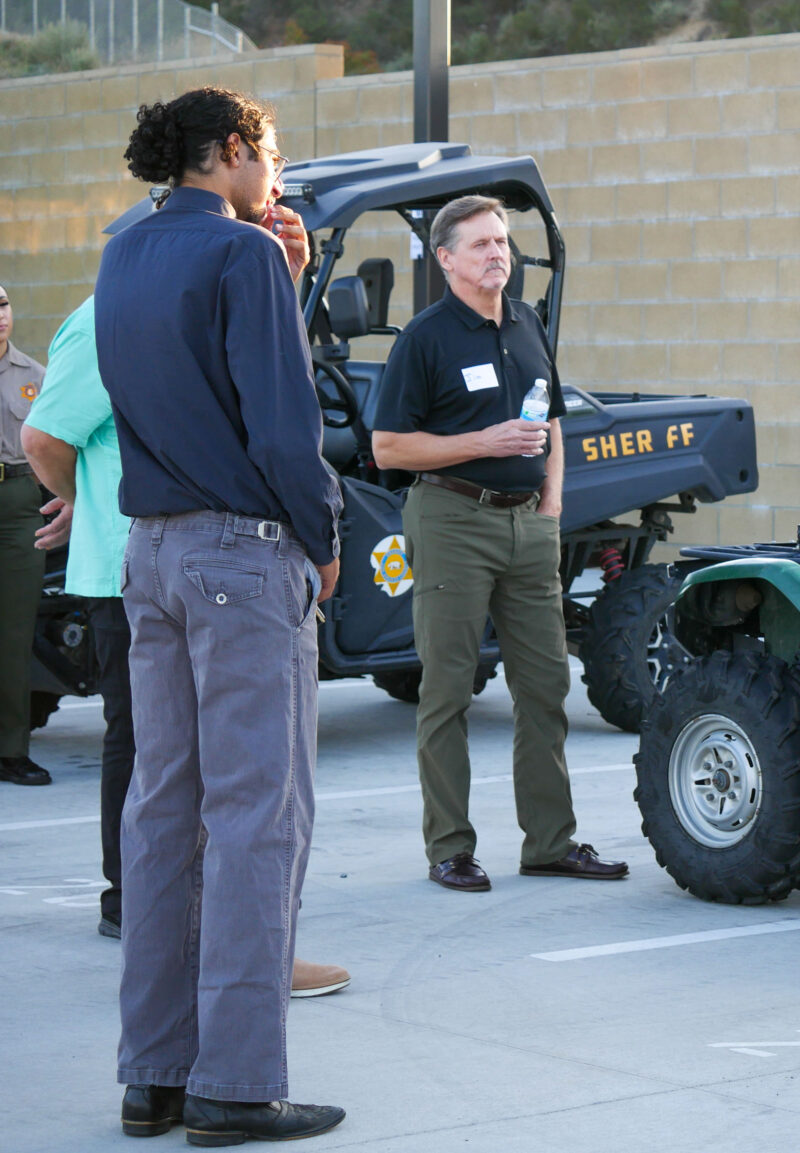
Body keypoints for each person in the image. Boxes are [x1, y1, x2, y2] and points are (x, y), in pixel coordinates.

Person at [94, 87, 346, 1143]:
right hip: (241, 557)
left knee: (163, 815)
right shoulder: (241, 257)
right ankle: (238, 1086)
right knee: (255, 819)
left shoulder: (122, 253)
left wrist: (279, 278)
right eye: (271, 154)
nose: (277, 174)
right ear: (231, 151)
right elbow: (284, 425)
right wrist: (325, 539)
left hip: (150, 554)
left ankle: (153, 1076)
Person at [21, 297, 355, 1004]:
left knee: (195, 764)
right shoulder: (110, 313)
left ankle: (217, 939)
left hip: (190, 558)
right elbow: (45, 437)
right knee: (161, 760)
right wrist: (85, 496)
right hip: (137, 562)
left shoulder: (208, 302)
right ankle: (159, 926)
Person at [372, 194, 627, 892]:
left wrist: (552, 503)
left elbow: (551, 424)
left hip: (528, 526)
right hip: (452, 519)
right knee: (448, 688)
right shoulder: (424, 338)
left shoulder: (527, 324)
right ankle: (450, 847)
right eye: (480, 244)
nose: (497, 254)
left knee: (546, 684)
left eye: (503, 242)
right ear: (446, 258)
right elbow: (388, 446)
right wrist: (480, 443)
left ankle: (550, 841)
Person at [0, 284, 50, 787]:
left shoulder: (36, 378)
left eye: (4, 304)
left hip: (18, 506)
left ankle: (11, 750)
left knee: (14, 634)